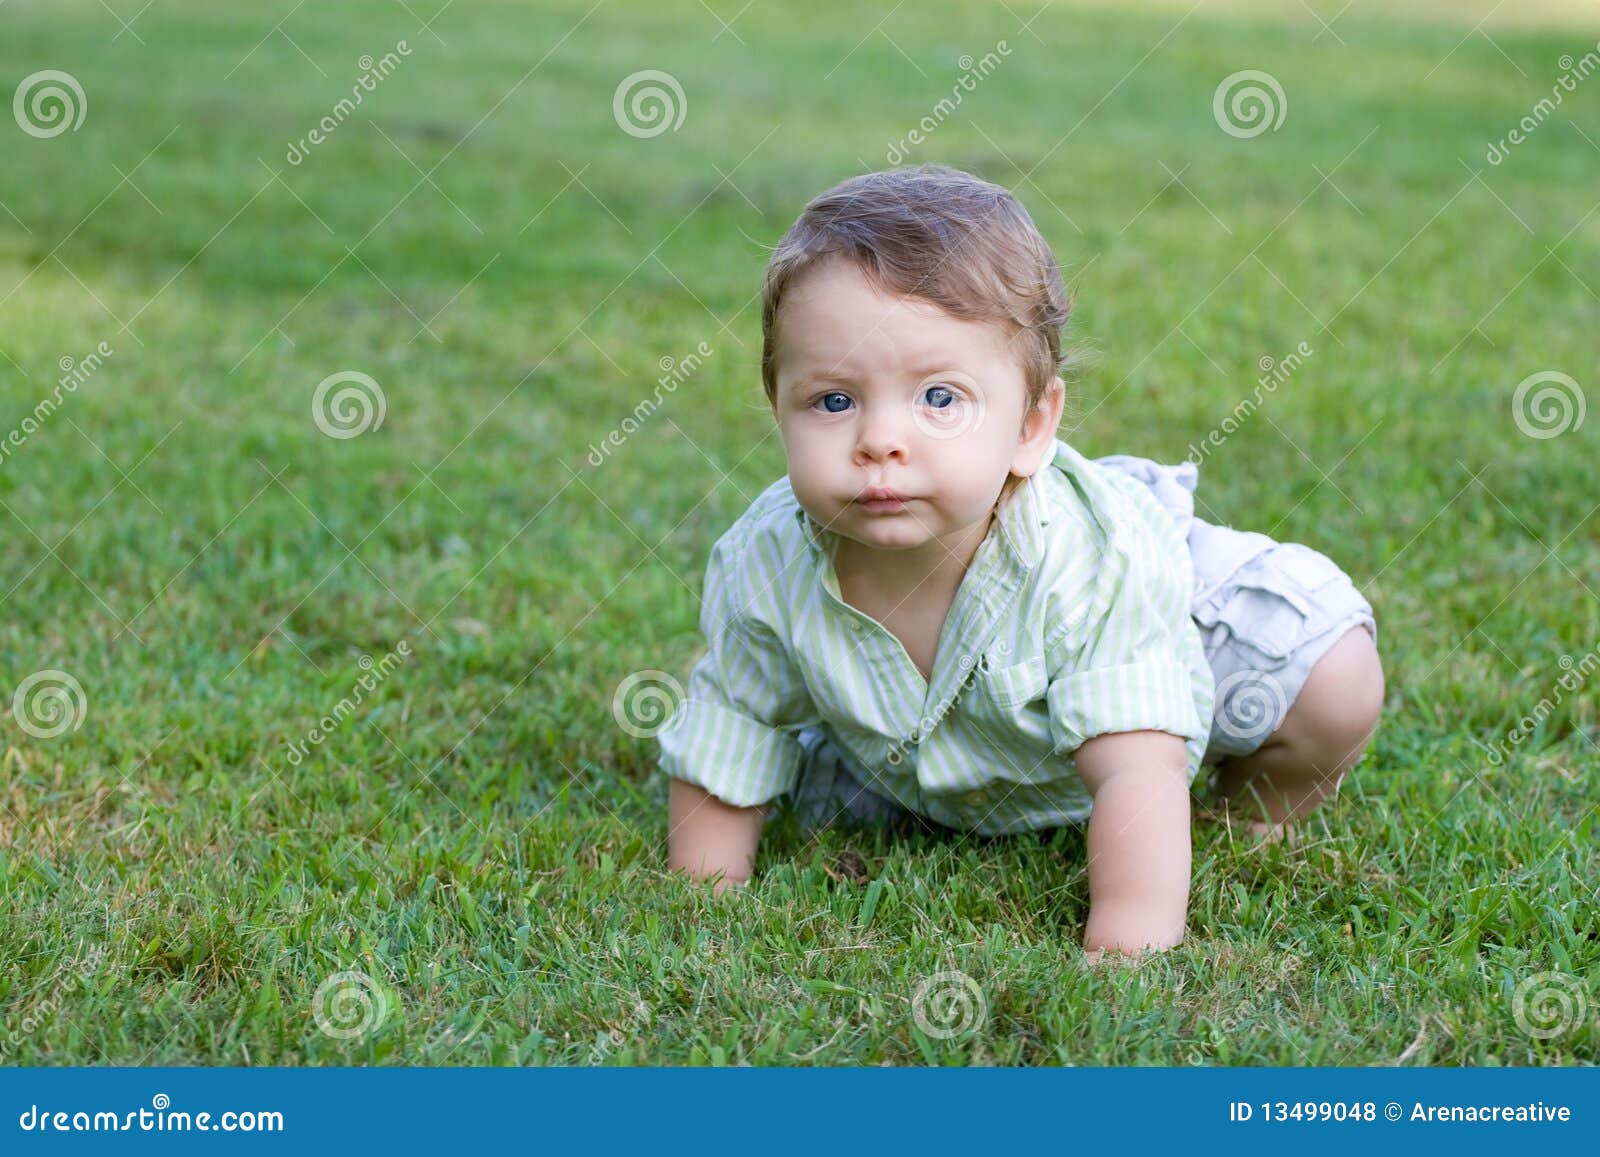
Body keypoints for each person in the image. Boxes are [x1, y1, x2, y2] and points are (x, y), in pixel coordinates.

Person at [658, 164, 1384, 959]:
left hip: (1175, 635)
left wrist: (1122, 956)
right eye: (834, 400)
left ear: (1033, 427)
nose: (879, 440)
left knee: (1332, 674)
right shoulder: (766, 558)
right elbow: (732, 725)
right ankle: (949, 787)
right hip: (949, 738)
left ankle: (1253, 814)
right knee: (829, 795)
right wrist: (705, 909)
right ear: (779, 408)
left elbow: (1138, 767)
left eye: (940, 398)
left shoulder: (1093, 562)